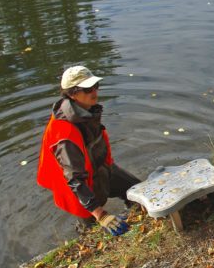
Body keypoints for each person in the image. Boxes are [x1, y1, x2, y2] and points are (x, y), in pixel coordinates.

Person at [37, 65, 141, 235]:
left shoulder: (85, 110)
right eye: (87, 89)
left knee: (139, 192)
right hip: (78, 186)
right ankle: (86, 230)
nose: (94, 92)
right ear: (72, 93)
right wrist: (101, 215)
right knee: (92, 229)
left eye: (95, 86)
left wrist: (108, 168)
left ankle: (131, 213)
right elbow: (75, 180)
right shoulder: (66, 133)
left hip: (100, 169)